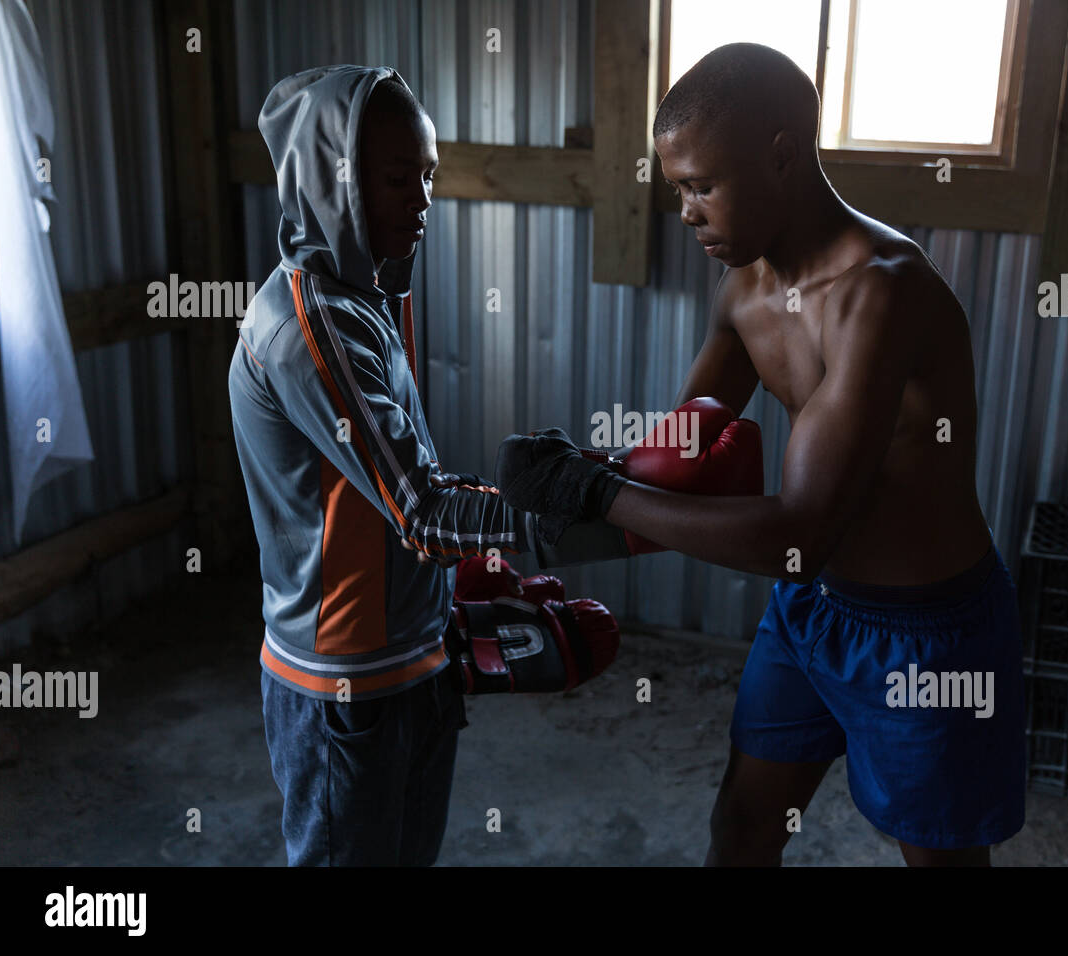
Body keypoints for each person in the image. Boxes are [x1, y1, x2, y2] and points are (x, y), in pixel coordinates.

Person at [495, 43, 1027, 867]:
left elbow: (800, 531)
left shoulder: (882, 292)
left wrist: (598, 498)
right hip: (810, 612)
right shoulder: (745, 290)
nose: (688, 213)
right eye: (678, 191)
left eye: (702, 187)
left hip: (925, 636)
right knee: (743, 827)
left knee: (942, 861)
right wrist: (590, 467)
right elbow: (686, 446)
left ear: (781, 155)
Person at [228, 67, 609, 865]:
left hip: (411, 662)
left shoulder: (364, 297)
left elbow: (391, 491)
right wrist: (590, 509)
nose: (423, 197)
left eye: (429, 176)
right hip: (347, 687)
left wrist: (449, 591)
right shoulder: (310, 325)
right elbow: (423, 512)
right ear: (328, 178)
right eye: (400, 177)